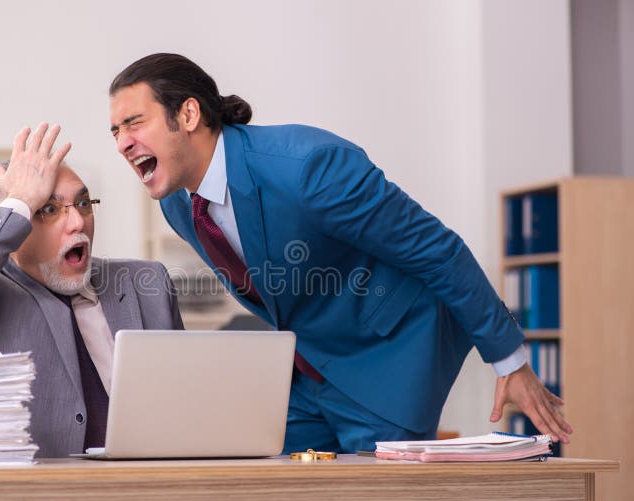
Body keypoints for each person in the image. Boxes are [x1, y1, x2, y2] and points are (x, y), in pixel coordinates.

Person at [107, 53, 573, 454]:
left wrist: (509, 360)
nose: (123, 142)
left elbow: (439, 251)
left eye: (134, 122)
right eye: (114, 131)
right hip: (306, 369)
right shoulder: (177, 205)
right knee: (264, 491)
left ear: (188, 115)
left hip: (387, 360)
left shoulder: (308, 168)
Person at [0, 123, 183, 457]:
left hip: (151, 488)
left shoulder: (147, 282)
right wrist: (18, 201)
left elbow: (182, 403)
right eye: (48, 209)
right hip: (40, 500)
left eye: (84, 203)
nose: (77, 222)